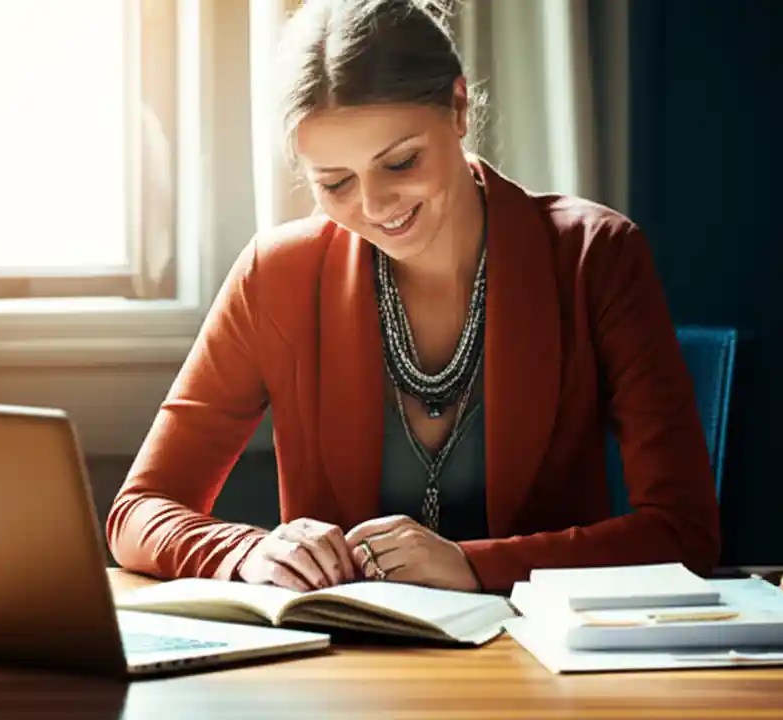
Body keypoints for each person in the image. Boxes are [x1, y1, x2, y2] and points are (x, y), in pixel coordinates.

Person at [106, 0, 719, 593]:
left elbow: (683, 531)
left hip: (544, 668)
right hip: (347, 671)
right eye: (335, 182)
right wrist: (248, 551)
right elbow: (139, 511)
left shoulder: (595, 255)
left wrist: (472, 566)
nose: (373, 208)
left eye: (400, 163)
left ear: (457, 109)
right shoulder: (276, 275)